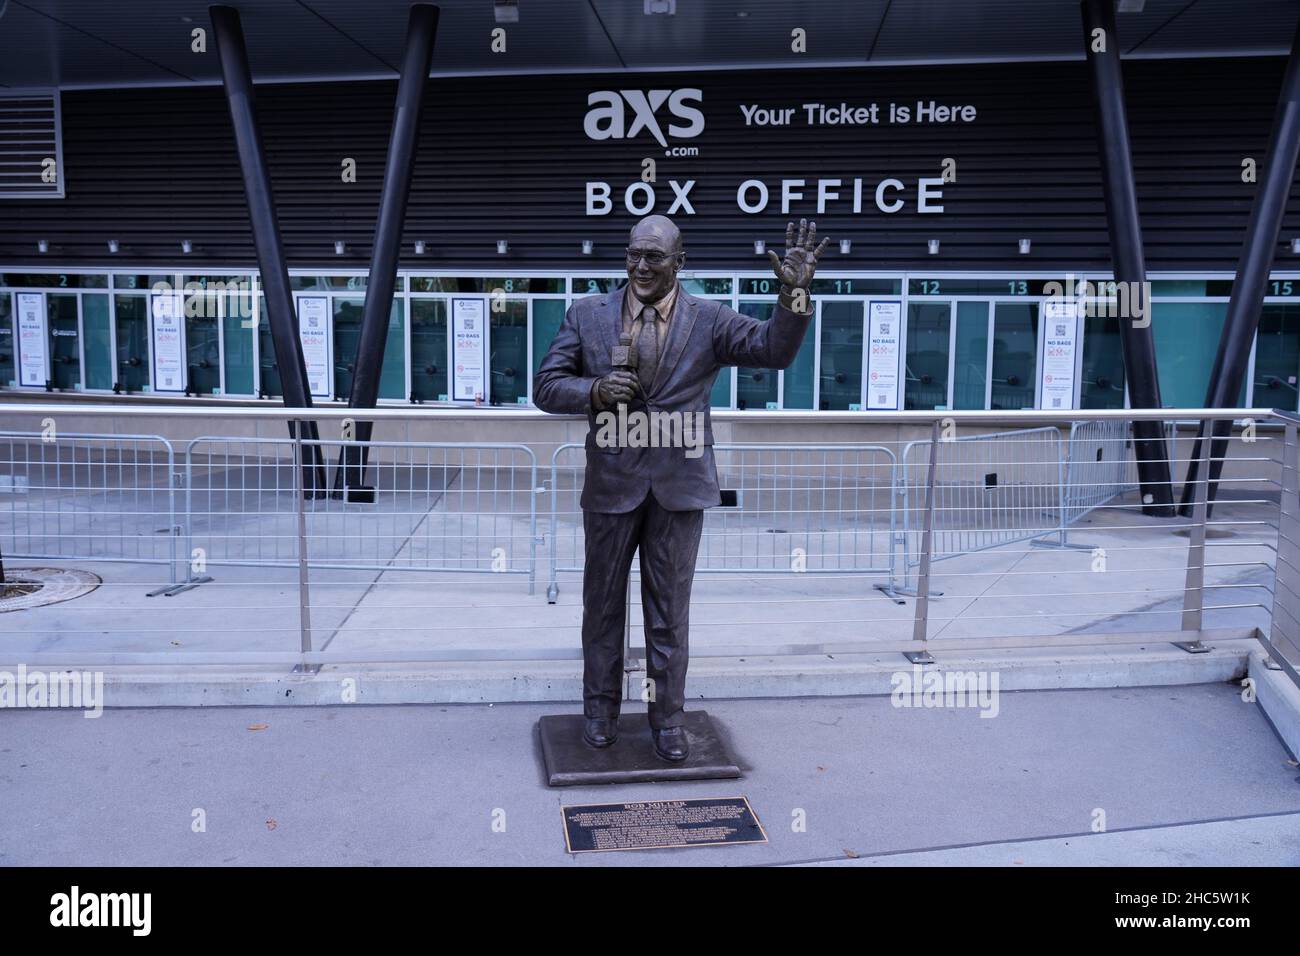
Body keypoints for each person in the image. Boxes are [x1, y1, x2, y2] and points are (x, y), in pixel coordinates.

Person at [534, 215, 828, 761]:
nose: (641, 266)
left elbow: (773, 351)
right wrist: (595, 390)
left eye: (655, 257)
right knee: (600, 607)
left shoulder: (708, 319)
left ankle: (667, 719)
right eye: (634, 254)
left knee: (669, 611)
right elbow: (547, 386)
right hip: (612, 483)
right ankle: (599, 712)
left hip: (680, 485)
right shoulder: (587, 314)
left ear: (679, 262)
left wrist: (794, 296)